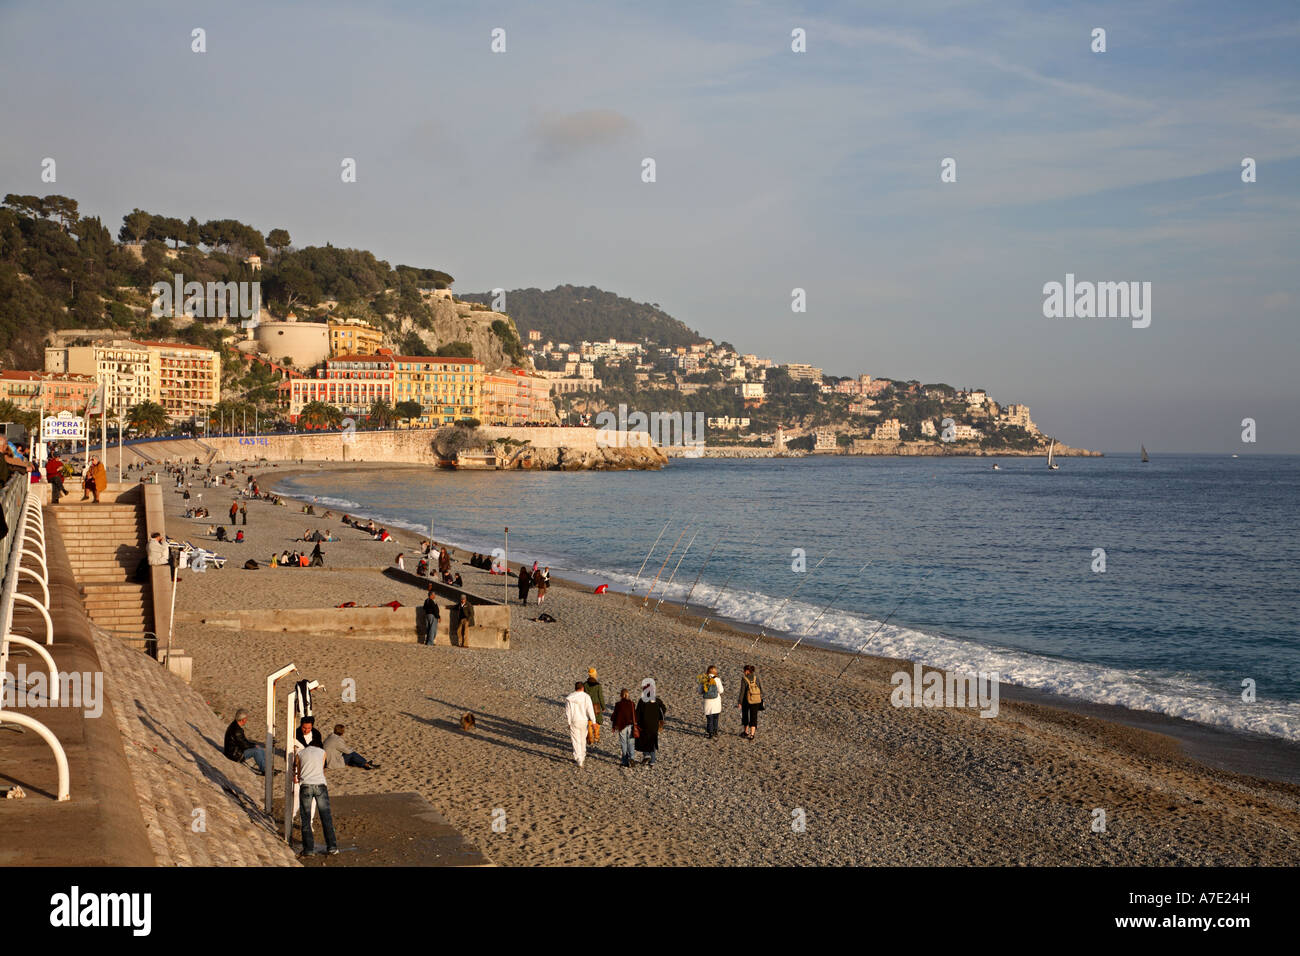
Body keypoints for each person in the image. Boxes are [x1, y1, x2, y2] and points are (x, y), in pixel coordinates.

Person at [294, 732, 338, 856]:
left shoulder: (300, 753)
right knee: (326, 817)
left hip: (306, 785)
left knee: (306, 818)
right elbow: (322, 768)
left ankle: (308, 849)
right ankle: (332, 847)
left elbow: (298, 772)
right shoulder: (322, 752)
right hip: (320, 785)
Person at [564, 681, 598, 768]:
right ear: (582, 688)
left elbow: (568, 712)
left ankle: (578, 758)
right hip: (583, 720)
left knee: (575, 740)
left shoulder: (570, 698)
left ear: (575, 688)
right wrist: (593, 722)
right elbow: (590, 710)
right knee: (583, 739)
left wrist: (569, 722)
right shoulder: (586, 697)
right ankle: (582, 756)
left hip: (574, 720)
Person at [634, 679, 667, 766]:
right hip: (654, 725)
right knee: (652, 741)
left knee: (644, 740)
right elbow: (663, 709)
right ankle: (652, 761)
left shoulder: (642, 701)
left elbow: (637, 713)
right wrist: (659, 718)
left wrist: (635, 723)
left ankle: (646, 755)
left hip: (644, 725)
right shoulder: (657, 700)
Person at [223, 709, 265, 774]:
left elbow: (243, 741)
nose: (247, 720)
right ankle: (265, 770)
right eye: (246, 718)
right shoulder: (237, 730)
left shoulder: (234, 725)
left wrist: (253, 744)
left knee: (259, 748)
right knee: (257, 751)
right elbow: (244, 745)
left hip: (233, 751)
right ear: (243, 720)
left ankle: (266, 767)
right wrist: (253, 745)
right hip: (234, 754)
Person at [612, 688, 637, 768]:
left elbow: (615, 716)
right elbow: (634, 715)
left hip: (621, 726)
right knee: (631, 742)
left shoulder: (618, 704)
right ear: (627, 695)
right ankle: (632, 758)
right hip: (631, 725)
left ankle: (625, 761)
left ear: (621, 695)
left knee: (624, 743)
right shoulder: (632, 704)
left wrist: (613, 726)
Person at [737, 664, 763, 740]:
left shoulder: (744, 679)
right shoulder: (756, 678)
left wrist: (740, 702)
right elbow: (761, 689)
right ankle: (752, 734)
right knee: (754, 716)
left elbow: (742, 691)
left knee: (745, 716)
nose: (744, 672)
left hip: (746, 700)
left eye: (744, 671)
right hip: (756, 700)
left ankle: (746, 732)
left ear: (747, 671)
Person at [699, 665, 724, 739]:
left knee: (709, 718)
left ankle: (710, 733)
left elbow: (699, 691)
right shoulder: (717, 679)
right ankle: (715, 731)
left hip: (707, 702)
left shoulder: (704, 679)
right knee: (715, 717)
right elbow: (721, 691)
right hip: (716, 701)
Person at [584, 668, 605, 744]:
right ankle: (596, 736)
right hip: (596, 705)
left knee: (589, 721)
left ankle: (590, 737)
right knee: (597, 721)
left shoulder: (585, 684)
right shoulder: (598, 685)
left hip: (587, 705)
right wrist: (603, 706)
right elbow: (600, 696)